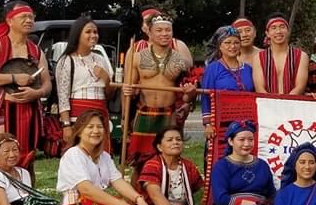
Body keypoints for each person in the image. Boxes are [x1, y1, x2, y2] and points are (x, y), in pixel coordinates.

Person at [0, 1, 51, 170]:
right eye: (23, 16)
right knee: (3, 155)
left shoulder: (36, 51)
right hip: (2, 108)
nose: (28, 20)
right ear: (9, 20)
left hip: (29, 110)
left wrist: (36, 94)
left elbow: (47, 85)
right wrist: (14, 78)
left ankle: (25, 193)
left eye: (31, 17)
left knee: (26, 157)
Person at [123, 14, 196, 174]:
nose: (164, 34)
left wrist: (190, 94)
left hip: (168, 114)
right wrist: (126, 97)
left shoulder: (180, 60)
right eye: (159, 30)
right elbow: (130, 89)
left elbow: (186, 96)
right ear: (150, 32)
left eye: (168, 30)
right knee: (139, 162)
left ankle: (165, 194)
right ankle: (137, 197)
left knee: (168, 159)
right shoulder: (137, 57)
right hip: (144, 112)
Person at [55, 16, 117, 154]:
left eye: (95, 32)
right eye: (88, 32)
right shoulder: (67, 60)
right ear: (77, 34)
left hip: (100, 110)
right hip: (78, 112)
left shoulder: (100, 59)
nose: (93, 35)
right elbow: (63, 95)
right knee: (80, 153)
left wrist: (106, 78)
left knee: (100, 153)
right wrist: (66, 125)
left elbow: (110, 94)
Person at [199, 26, 255, 139]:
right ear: (220, 45)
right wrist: (207, 124)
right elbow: (206, 96)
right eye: (227, 42)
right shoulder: (212, 69)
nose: (232, 46)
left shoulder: (248, 69)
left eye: (236, 42)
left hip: (246, 123)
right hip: (221, 122)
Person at [254, 15, 308, 95]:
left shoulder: (301, 56)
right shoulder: (258, 58)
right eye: (273, 28)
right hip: (267, 104)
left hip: (293, 104)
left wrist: (284, 103)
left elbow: (300, 87)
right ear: (267, 33)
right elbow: (259, 88)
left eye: (282, 27)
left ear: (288, 30)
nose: (278, 31)